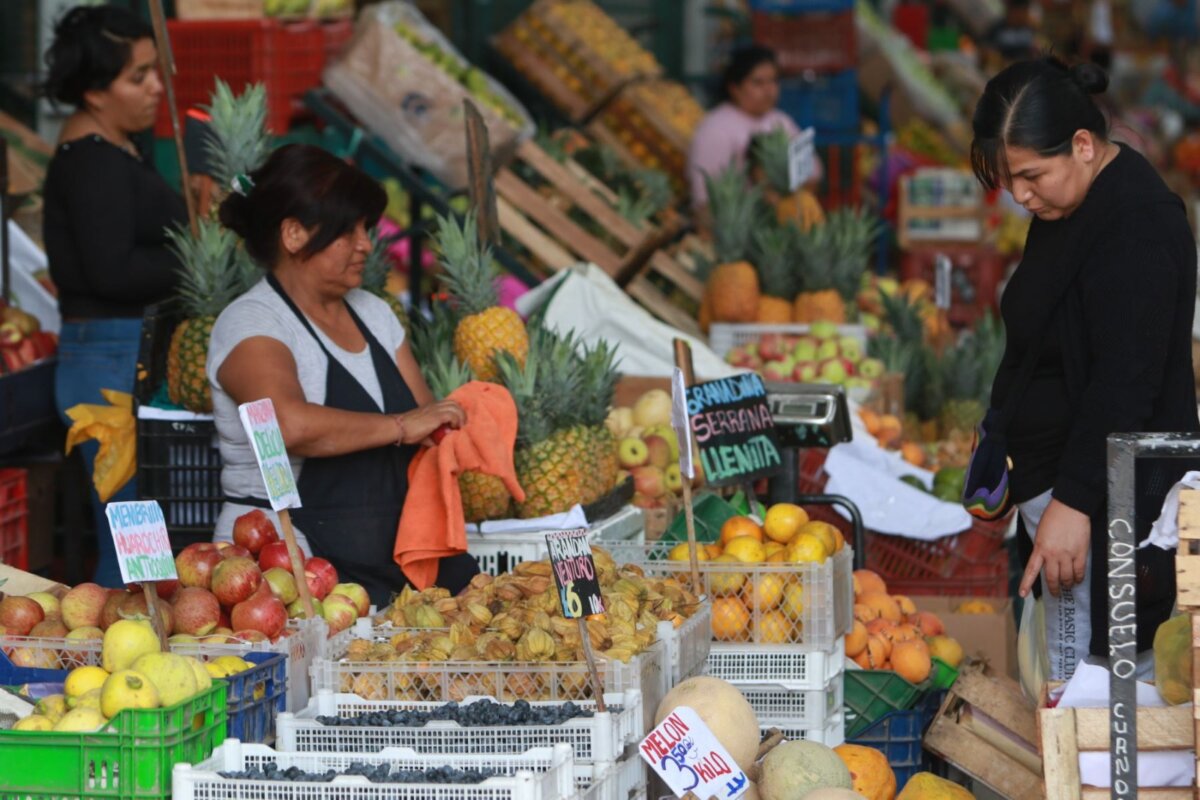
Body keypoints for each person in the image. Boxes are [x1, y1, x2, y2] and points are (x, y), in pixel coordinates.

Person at [971, 57, 1199, 682]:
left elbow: (1126, 382)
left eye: (1030, 176)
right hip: (1065, 490)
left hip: (1107, 505)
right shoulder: (1070, 203)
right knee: (1063, 693)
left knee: (1098, 701)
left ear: (1082, 145)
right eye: (1010, 179)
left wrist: (1073, 503)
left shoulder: (1140, 225)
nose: (1020, 195)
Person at [210, 144, 478, 605]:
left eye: (366, 229)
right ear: (293, 234)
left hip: (391, 560)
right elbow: (287, 424)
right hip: (289, 566)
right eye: (347, 231)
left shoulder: (374, 314)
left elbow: (426, 425)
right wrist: (400, 426)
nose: (365, 245)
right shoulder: (251, 323)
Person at [42, 4, 184, 587]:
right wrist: (193, 256)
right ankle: (121, 653)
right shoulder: (94, 164)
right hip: (107, 365)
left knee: (143, 530)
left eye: (155, 70)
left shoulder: (120, 146)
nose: (156, 87)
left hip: (127, 355)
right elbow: (112, 272)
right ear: (95, 93)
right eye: (138, 77)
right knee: (131, 535)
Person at [687, 45, 820, 223]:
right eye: (758, 83)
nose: (769, 90)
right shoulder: (715, 129)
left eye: (773, 81)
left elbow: (812, 172)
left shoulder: (779, 121)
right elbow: (706, 202)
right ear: (734, 88)